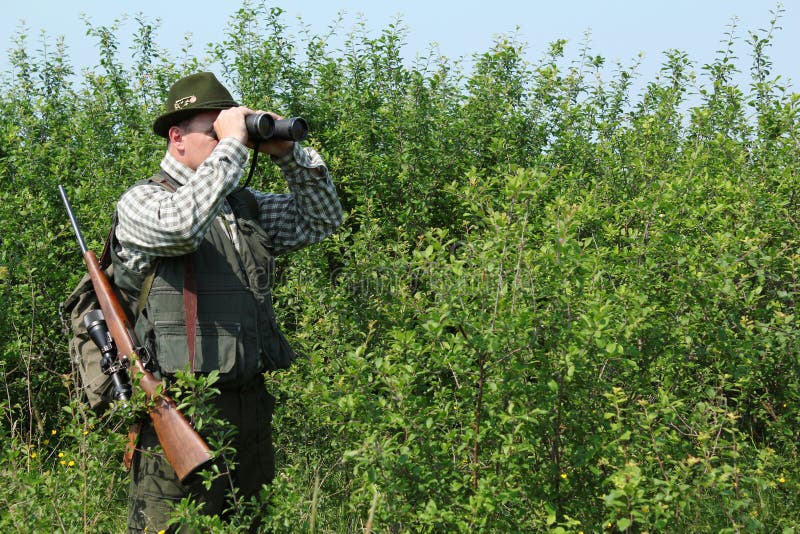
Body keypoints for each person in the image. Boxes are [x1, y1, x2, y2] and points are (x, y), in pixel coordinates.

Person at [110, 71, 343, 532]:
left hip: (248, 410)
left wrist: (290, 156)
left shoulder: (243, 207)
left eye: (229, 128)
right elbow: (181, 227)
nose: (225, 139)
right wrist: (233, 146)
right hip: (178, 410)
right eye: (213, 130)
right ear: (177, 137)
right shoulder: (142, 202)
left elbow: (322, 220)